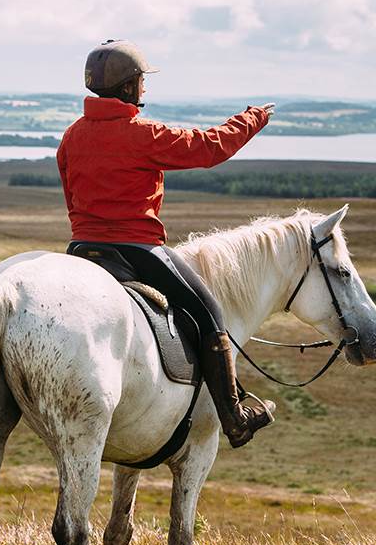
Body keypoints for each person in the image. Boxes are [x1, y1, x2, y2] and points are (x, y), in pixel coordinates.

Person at [57, 39, 275, 448]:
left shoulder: (72, 135)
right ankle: (234, 418)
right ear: (127, 87)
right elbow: (209, 148)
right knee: (210, 313)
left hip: (81, 248)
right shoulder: (143, 134)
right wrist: (252, 119)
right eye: (141, 80)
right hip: (137, 249)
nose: (144, 86)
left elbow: (71, 196)